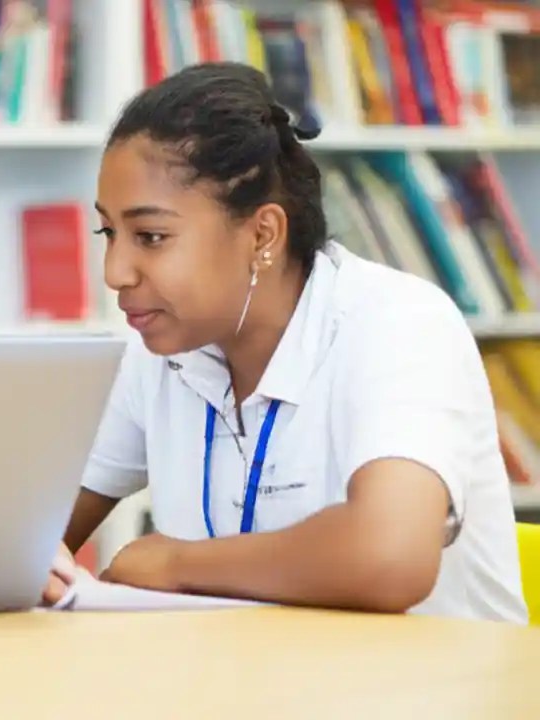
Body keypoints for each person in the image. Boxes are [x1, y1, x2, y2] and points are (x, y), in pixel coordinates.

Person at [43, 62, 528, 624]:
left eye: (151, 236)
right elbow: (18, 541)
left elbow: (391, 556)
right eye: (109, 233)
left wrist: (176, 562)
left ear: (263, 234)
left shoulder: (397, 323)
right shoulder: (162, 348)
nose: (116, 271)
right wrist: (31, 560)